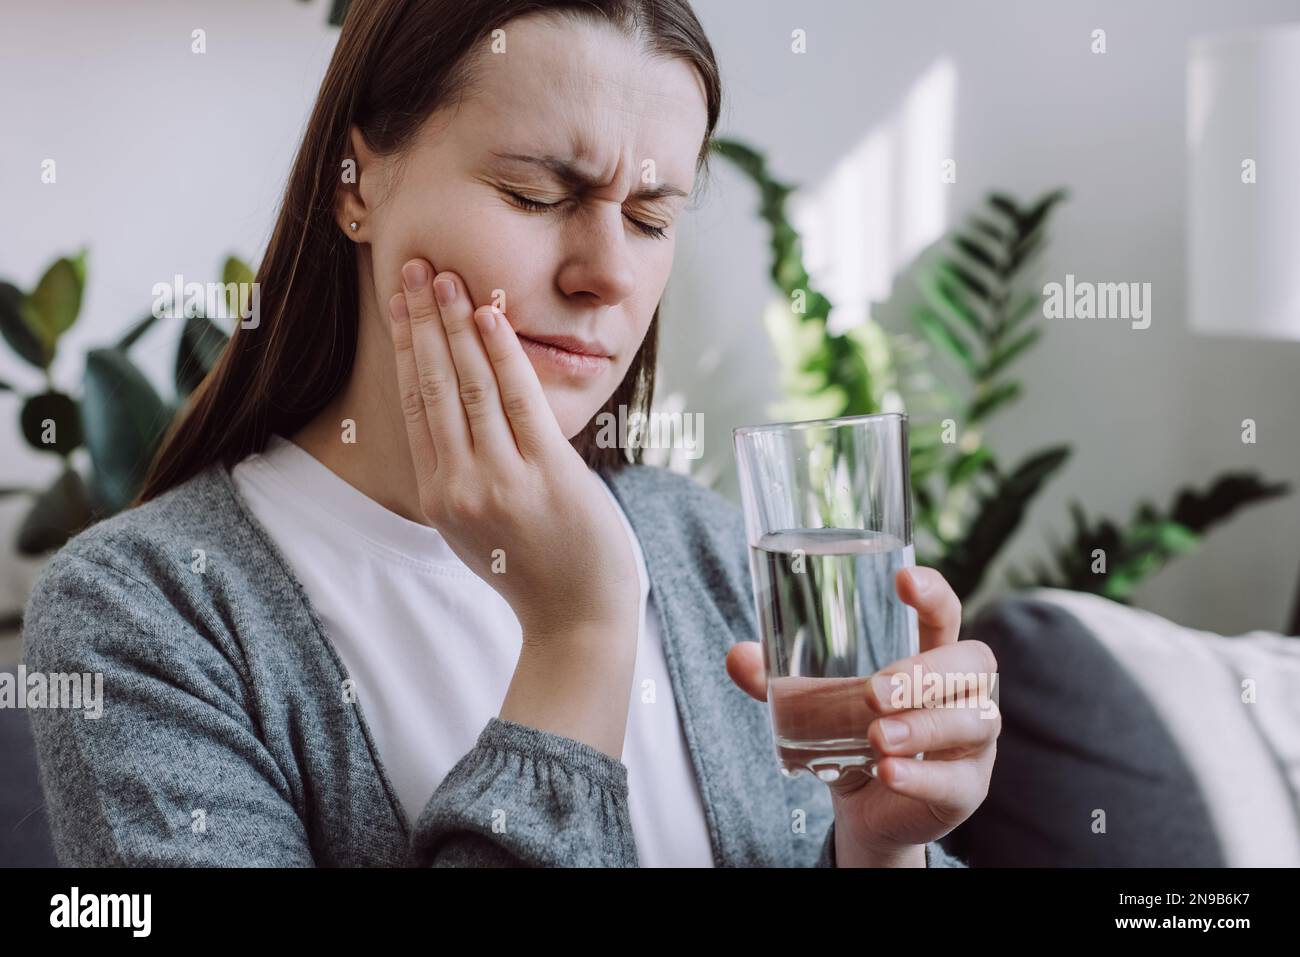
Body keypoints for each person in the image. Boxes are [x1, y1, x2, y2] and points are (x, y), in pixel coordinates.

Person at [22, 0, 997, 867]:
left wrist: (874, 849)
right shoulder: (145, 618)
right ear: (355, 184)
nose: (606, 274)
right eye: (536, 196)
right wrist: (580, 637)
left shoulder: (706, 550)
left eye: (652, 218)